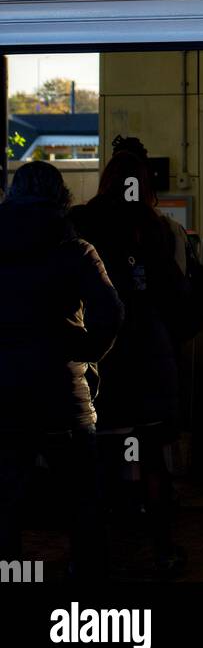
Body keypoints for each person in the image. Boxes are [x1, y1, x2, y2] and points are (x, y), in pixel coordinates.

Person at [0, 159, 124, 577]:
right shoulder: (75, 250)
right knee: (83, 500)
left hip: (3, 397)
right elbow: (111, 312)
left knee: (6, 503)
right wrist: (86, 351)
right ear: (61, 198)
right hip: (62, 393)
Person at [74, 136, 190, 576]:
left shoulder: (83, 222)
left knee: (102, 459)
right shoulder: (157, 227)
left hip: (105, 359)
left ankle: (95, 556)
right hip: (152, 358)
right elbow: (177, 293)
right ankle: (162, 549)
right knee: (151, 456)